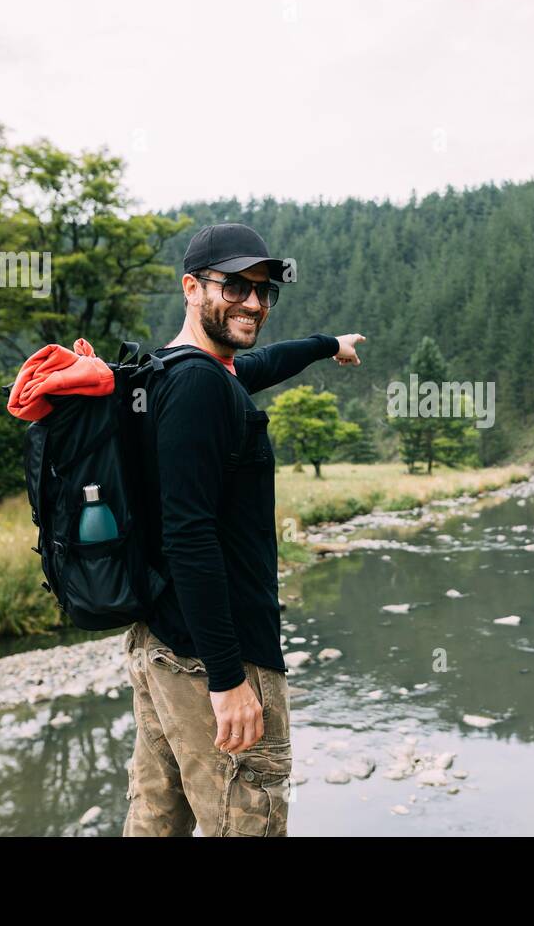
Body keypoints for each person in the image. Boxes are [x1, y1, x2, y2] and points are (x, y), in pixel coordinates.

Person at [122, 222, 364, 836]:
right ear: (191, 288)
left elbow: (259, 364)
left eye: (263, 291)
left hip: (161, 644)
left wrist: (327, 344)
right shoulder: (201, 387)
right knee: (246, 823)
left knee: (155, 819)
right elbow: (189, 536)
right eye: (234, 286)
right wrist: (229, 680)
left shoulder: (169, 372)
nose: (253, 302)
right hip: (215, 660)